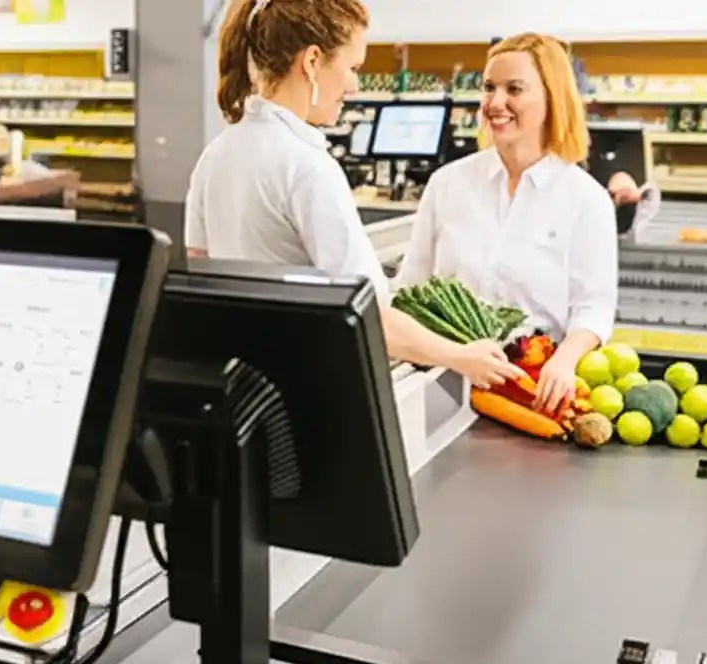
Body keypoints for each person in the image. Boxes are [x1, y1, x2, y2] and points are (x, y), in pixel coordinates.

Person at [185, 0, 524, 389]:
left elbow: (201, 271)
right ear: (312, 60)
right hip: (308, 382)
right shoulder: (308, 167)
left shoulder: (217, 153)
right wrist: (461, 355)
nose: (354, 85)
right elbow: (369, 314)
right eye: (352, 68)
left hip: (247, 382)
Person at [395, 32, 619, 415]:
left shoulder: (586, 200)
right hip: (443, 389)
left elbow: (593, 309)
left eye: (514, 88)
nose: (496, 103)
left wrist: (564, 362)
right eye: (489, 88)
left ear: (552, 97)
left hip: (533, 390)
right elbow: (409, 289)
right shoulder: (448, 184)